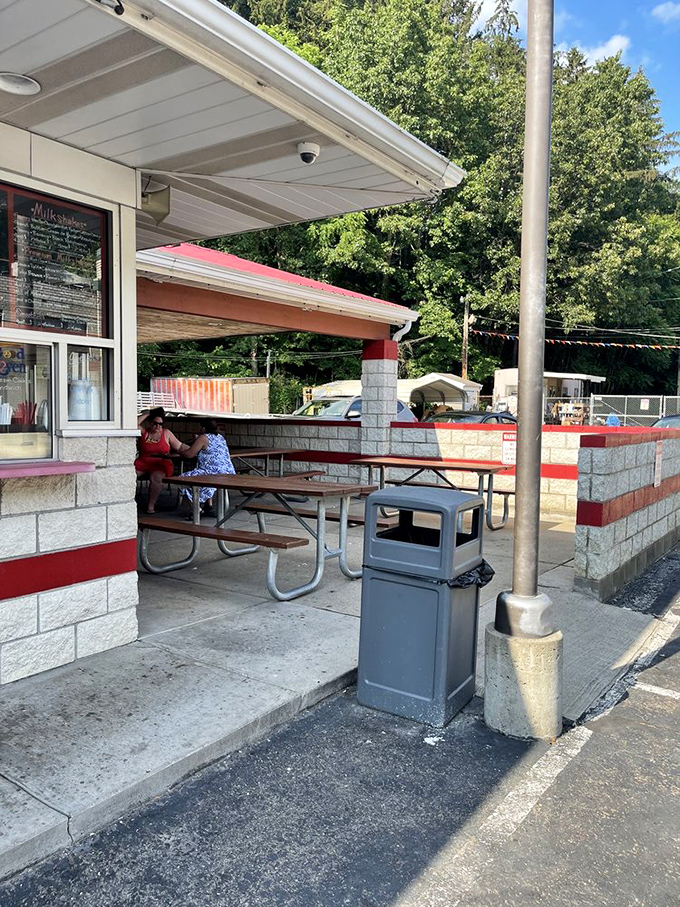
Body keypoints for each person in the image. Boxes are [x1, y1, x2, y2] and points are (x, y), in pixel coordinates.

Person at [135, 408, 188, 514]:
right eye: (155, 423)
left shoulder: (166, 433)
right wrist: (149, 413)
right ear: (150, 423)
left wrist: (194, 449)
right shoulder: (144, 432)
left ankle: (151, 504)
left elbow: (180, 446)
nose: (158, 426)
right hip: (143, 461)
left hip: (161, 462)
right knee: (128, 474)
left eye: (160, 424)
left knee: (157, 477)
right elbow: (133, 424)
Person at [179, 419, 235, 517]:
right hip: (228, 471)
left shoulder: (203, 438)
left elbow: (189, 454)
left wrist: (180, 451)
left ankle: (197, 509)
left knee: (182, 479)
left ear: (203, 428)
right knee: (201, 476)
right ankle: (208, 504)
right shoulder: (220, 437)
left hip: (212, 472)